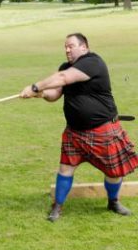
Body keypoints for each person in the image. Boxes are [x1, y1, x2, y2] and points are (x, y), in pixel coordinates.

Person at [20, 32, 138, 222]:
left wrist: (35, 86)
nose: (67, 50)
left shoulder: (92, 62)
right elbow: (55, 93)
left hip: (103, 129)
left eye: (71, 46)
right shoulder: (65, 67)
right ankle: (57, 206)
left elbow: (64, 78)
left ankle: (113, 202)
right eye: (65, 47)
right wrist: (39, 94)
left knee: (114, 172)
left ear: (84, 47)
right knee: (65, 169)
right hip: (74, 132)